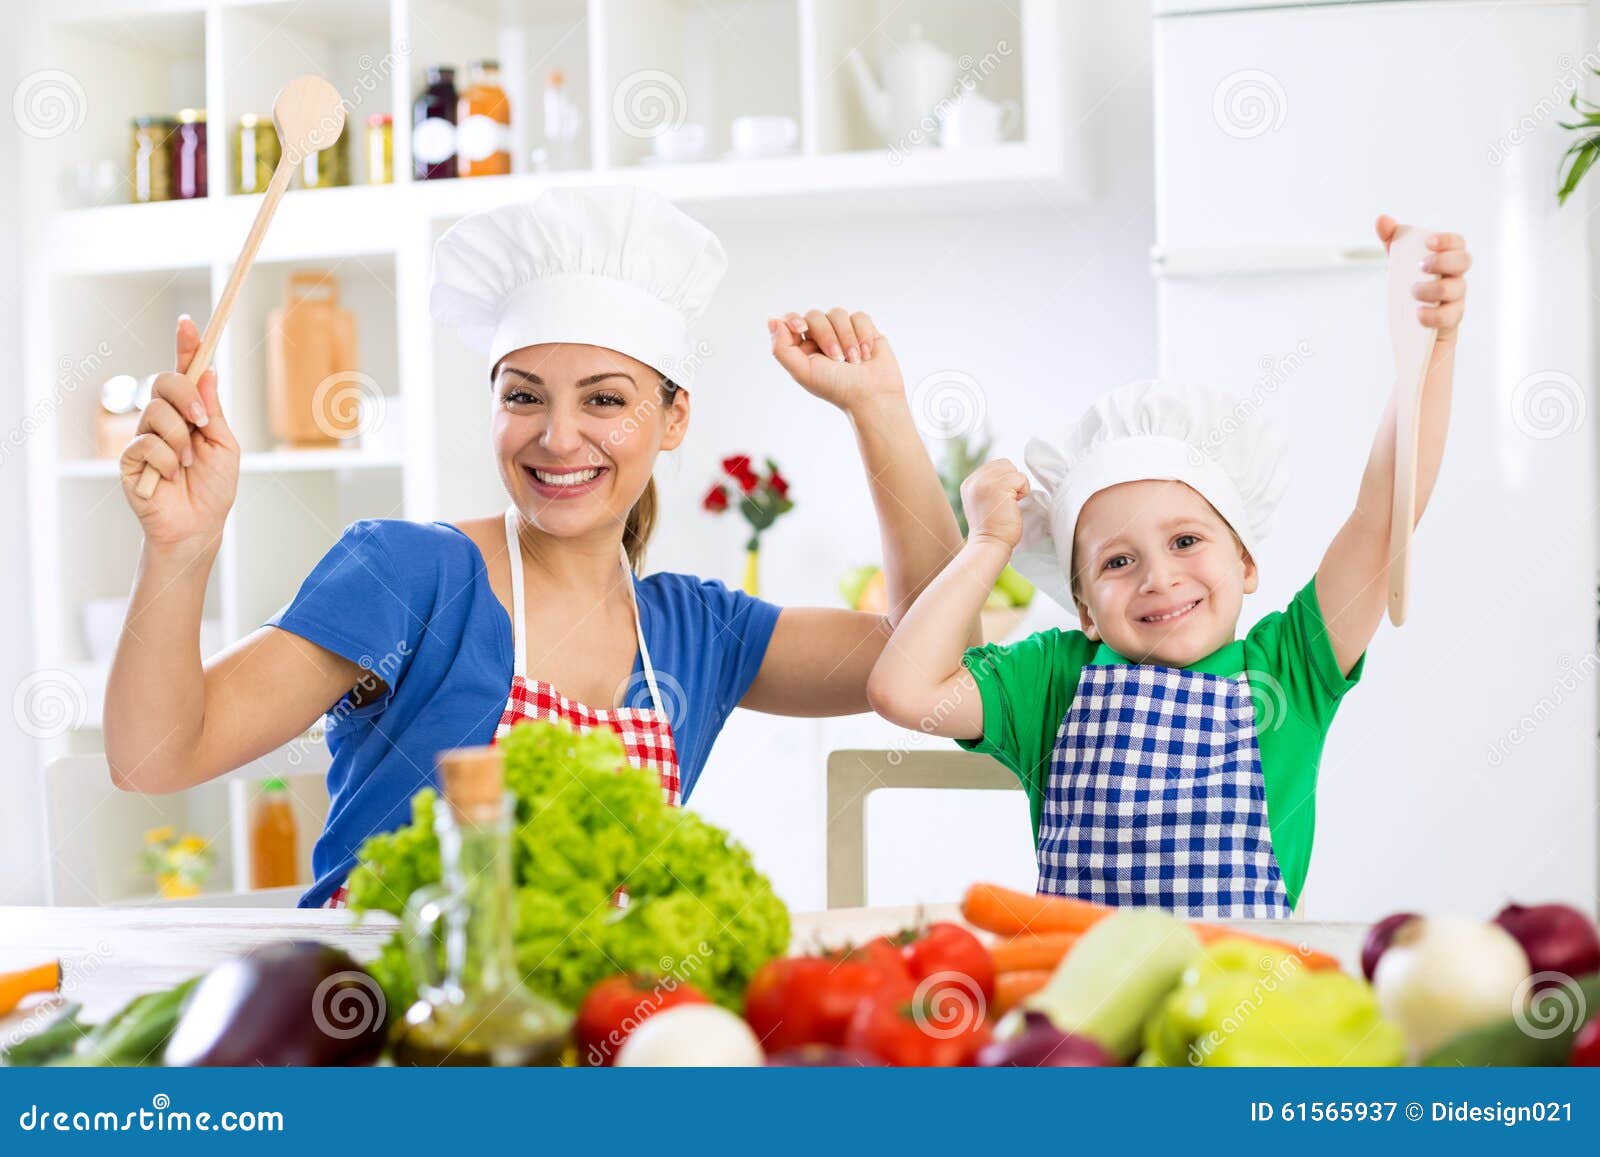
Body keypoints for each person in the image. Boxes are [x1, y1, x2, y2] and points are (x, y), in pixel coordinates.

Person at [107, 185, 973, 907]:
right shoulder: (412, 576)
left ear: (673, 419)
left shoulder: (698, 634)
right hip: (381, 1038)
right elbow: (156, 755)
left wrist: (880, 412)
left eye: (604, 400)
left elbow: (934, 666)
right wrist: (181, 551)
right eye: (524, 396)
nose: (558, 437)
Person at [866, 217, 1471, 917]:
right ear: (1084, 607)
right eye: (1118, 560)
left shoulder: (1293, 666)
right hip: (1081, 1013)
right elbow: (902, 690)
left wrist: (1433, 353)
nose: (1159, 577)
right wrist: (986, 543)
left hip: (1241, 1003)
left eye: (1186, 541)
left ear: (1244, 560)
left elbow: (1380, 519)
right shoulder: (1053, 679)